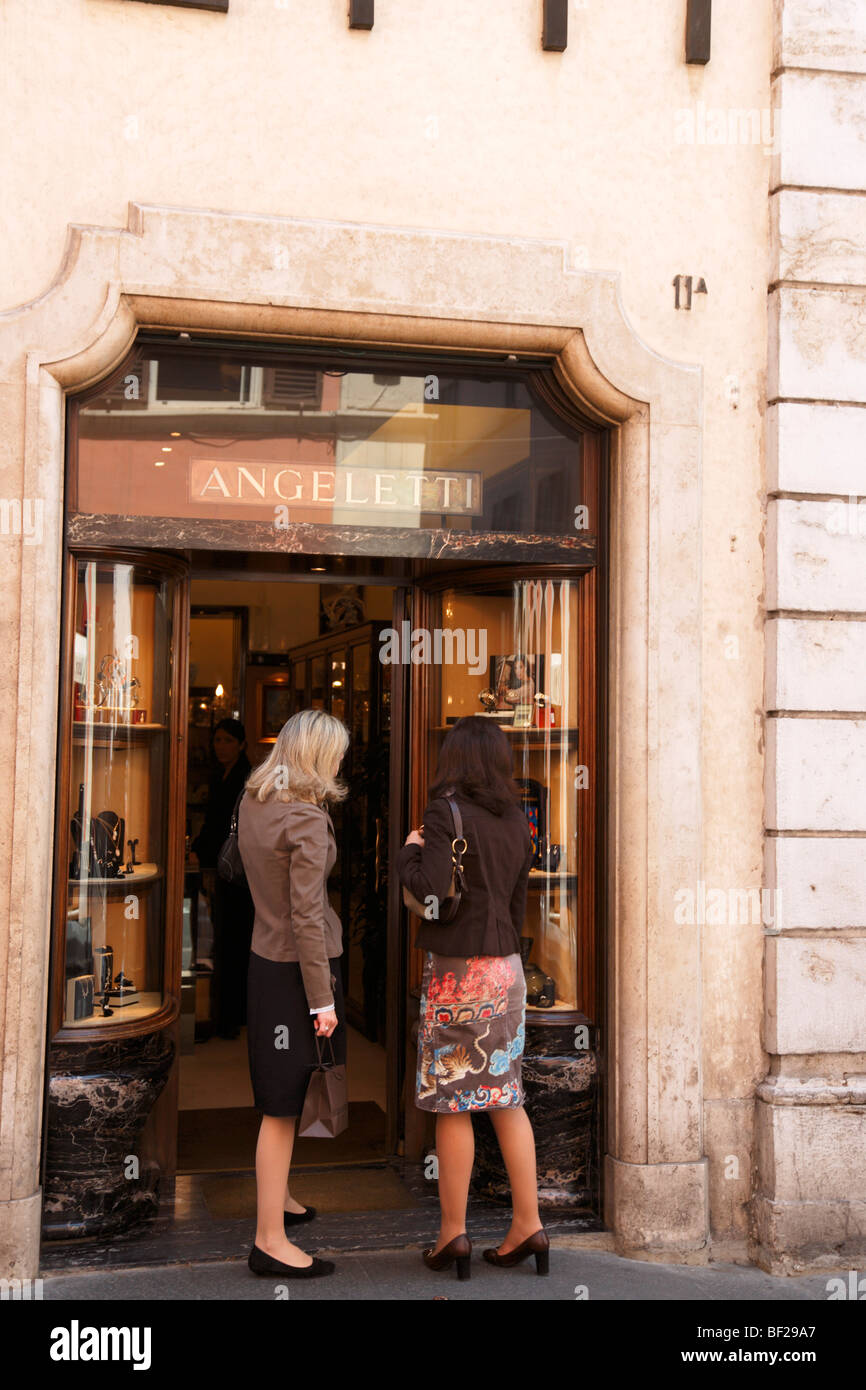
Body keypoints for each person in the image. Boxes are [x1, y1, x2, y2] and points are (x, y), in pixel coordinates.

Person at [396, 716, 549, 1281]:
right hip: (506, 969)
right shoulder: (516, 819)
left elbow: (433, 892)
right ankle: (528, 1224)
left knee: (451, 1101)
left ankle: (452, 1235)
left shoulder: (444, 813)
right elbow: (515, 903)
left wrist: (407, 854)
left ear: (454, 759)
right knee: (506, 1096)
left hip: (459, 974)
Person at [238, 708, 349, 1279]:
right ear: (317, 757)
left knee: (280, 1092)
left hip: (264, 959)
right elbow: (307, 915)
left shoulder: (254, 801)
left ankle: (276, 1201)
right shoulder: (305, 818)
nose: (339, 763)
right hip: (298, 970)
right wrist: (321, 998)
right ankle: (269, 1241)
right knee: (283, 1107)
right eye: (334, 753)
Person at [189, 717, 255, 1037]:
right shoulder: (222, 776)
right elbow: (214, 823)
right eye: (217, 740)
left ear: (242, 744)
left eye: (228, 740)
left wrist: (201, 850)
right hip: (223, 867)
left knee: (235, 941)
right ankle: (223, 1014)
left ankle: (232, 1017)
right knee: (223, 939)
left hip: (240, 873)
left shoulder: (247, 777)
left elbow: (228, 827)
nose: (220, 747)